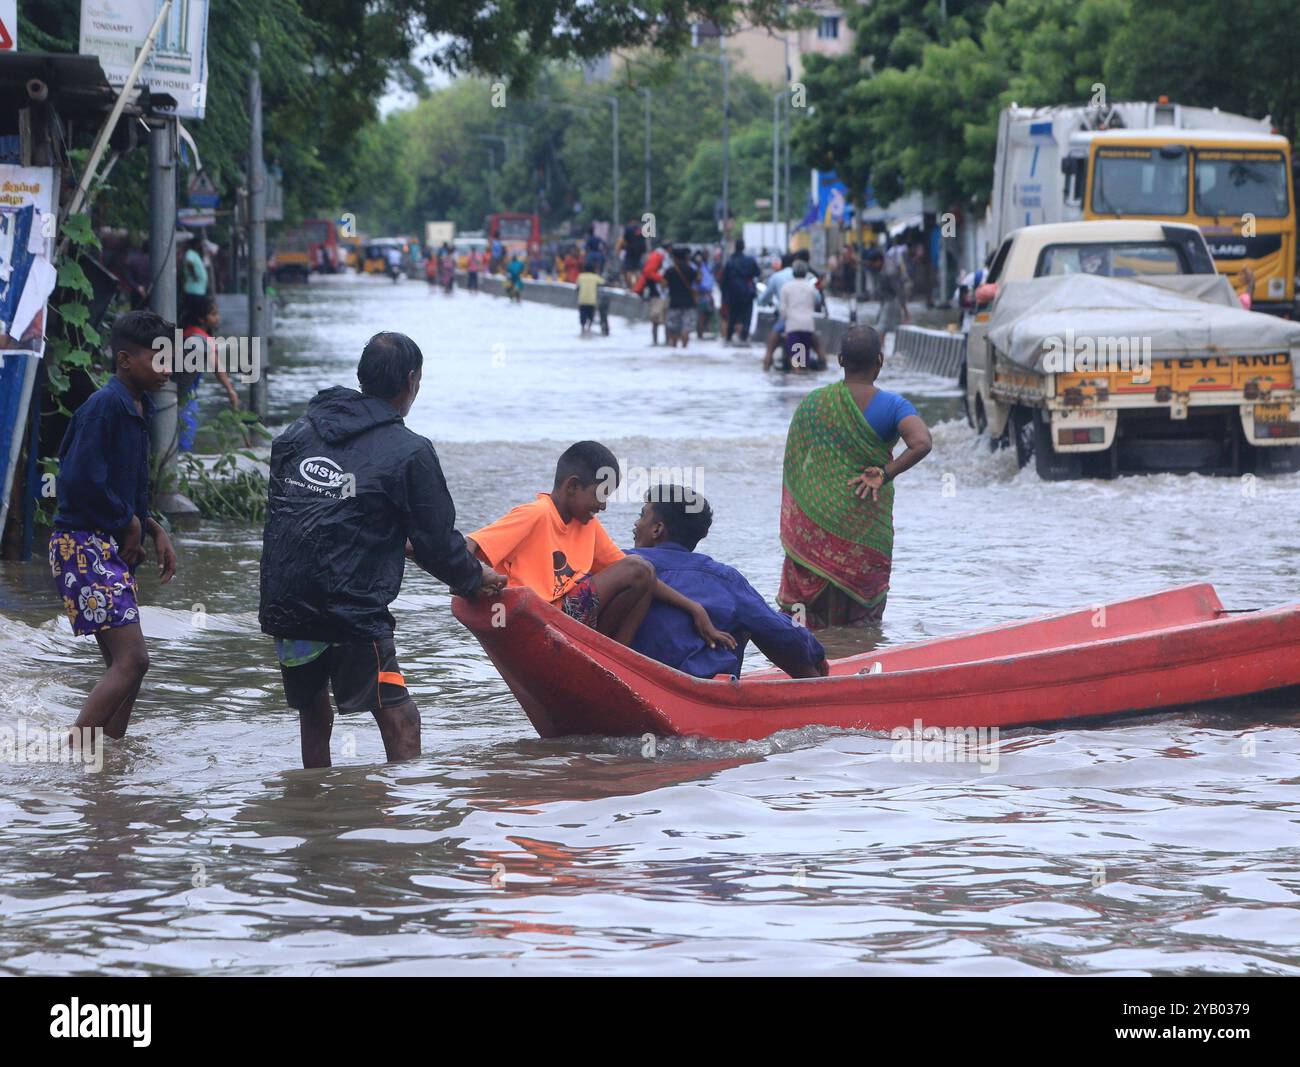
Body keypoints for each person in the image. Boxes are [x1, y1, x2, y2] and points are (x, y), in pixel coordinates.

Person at [259, 332, 505, 769]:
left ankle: (313, 812)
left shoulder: (296, 434)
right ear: (411, 382)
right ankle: (400, 825)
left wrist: (389, 536)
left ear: (362, 377)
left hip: (286, 602)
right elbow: (436, 542)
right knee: (402, 719)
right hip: (351, 611)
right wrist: (473, 578)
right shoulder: (409, 451)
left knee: (314, 711)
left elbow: (306, 514)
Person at [48, 310, 178, 743]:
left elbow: (124, 485)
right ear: (125, 359)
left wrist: (153, 527)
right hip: (81, 543)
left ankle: (108, 762)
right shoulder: (104, 407)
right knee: (133, 661)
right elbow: (78, 481)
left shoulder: (140, 406)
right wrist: (128, 522)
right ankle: (71, 752)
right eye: (158, 358)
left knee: (126, 666)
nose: (168, 367)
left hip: (104, 542)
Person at [466, 441, 735, 651]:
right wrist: (474, 581)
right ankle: (616, 655)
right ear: (573, 486)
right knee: (639, 569)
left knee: (644, 577)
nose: (603, 506)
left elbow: (641, 576)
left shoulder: (587, 526)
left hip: (570, 617)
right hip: (540, 615)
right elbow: (469, 546)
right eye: (601, 495)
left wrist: (693, 608)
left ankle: (616, 656)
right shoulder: (536, 514)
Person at [778, 326, 932, 629]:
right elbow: (922, 442)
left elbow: (797, 467)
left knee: (808, 624)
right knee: (864, 624)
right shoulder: (893, 406)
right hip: (865, 528)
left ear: (840, 360)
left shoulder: (813, 404)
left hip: (815, 529)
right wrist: (885, 474)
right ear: (880, 360)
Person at [628, 487, 828, 680]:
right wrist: (815, 652)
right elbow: (779, 630)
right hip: (700, 686)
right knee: (752, 621)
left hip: (629, 672)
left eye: (642, 515)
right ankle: (816, 689)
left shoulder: (618, 564)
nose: (635, 524)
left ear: (657, 529)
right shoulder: (724, 578)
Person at [177, 294, 241, 451]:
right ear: (201, 318)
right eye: (213, 314)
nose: (218, 318)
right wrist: (230, 390)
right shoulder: (200, 338)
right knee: (185, 438)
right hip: (186, 394)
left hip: (181, 390)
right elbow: (217, 367)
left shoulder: (188, 332)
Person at [773, 260, 825, 372]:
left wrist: (785, 325)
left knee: (795, 360)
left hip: (793, 326)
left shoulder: (786, 287)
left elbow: (783, 310)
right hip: (807, 326)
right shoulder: (810, 288)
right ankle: (804, 384)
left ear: (793, 273)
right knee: (804, 360)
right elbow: (818, 301)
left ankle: (796, 384)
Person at [759, 252, 795, 367]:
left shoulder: (777, 277)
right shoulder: (803, 277)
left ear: (782, 264)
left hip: (785, 319)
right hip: (807, 323)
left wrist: (762, 302)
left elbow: (764, 298)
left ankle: (767, 364)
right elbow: (817, 298)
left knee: (770, 345)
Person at [721, 238, 760, 344]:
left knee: (732, 316)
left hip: (732, 295)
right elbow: (757, 273)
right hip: (747, 294)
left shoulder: (730, 262)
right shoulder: (750, 260)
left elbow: (724, 281)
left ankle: (729, 337)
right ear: (743, 247)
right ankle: (744, 336)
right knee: (747, 317)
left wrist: (724, 298)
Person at [663, 245, 697, 349]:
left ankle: (674, 348)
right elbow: (698, 280)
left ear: (675, 258)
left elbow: (663, 285)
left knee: (673, 329)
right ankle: (684, 348)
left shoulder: (670, 271)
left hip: (674, 303)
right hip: (688, 303)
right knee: (686, 329)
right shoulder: (690, 269)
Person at [865, 248, 903, 335]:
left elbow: (898, 290)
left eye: (873, 263)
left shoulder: (890, 271)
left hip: (891, 302)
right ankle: (881, 346)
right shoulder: (881, 269)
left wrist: (904, 309)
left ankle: (880, 347)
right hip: (885, 301)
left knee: (882, 327)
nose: (873, 266)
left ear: (878, 261)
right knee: (883, 327)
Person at [692, 250, 716, 338]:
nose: (707, 257)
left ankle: (702, 333)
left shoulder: (708, 267)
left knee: (707, 315)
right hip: (700, 294)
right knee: (701, 315)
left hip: (708, 294)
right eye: (705, 255)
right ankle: (700, 334)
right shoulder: (696, 267)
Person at [576, 261, 602, 335]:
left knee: (583, 315)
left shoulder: (580, 276)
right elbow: (602, 282)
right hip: (591, 300)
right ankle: (589, 328)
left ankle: (582, 328)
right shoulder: (595, 277)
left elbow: (577, 286)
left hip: (582, 300)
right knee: (591, 315)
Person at [622, 220, 647, 287]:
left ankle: (630, 286)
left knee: (628, 270)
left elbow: (624, 240)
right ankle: (638, 287)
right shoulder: (641, 231)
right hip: (639, 253)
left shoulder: (628, 229)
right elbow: (644, 242)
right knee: (637, 269)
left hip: (630, 252)